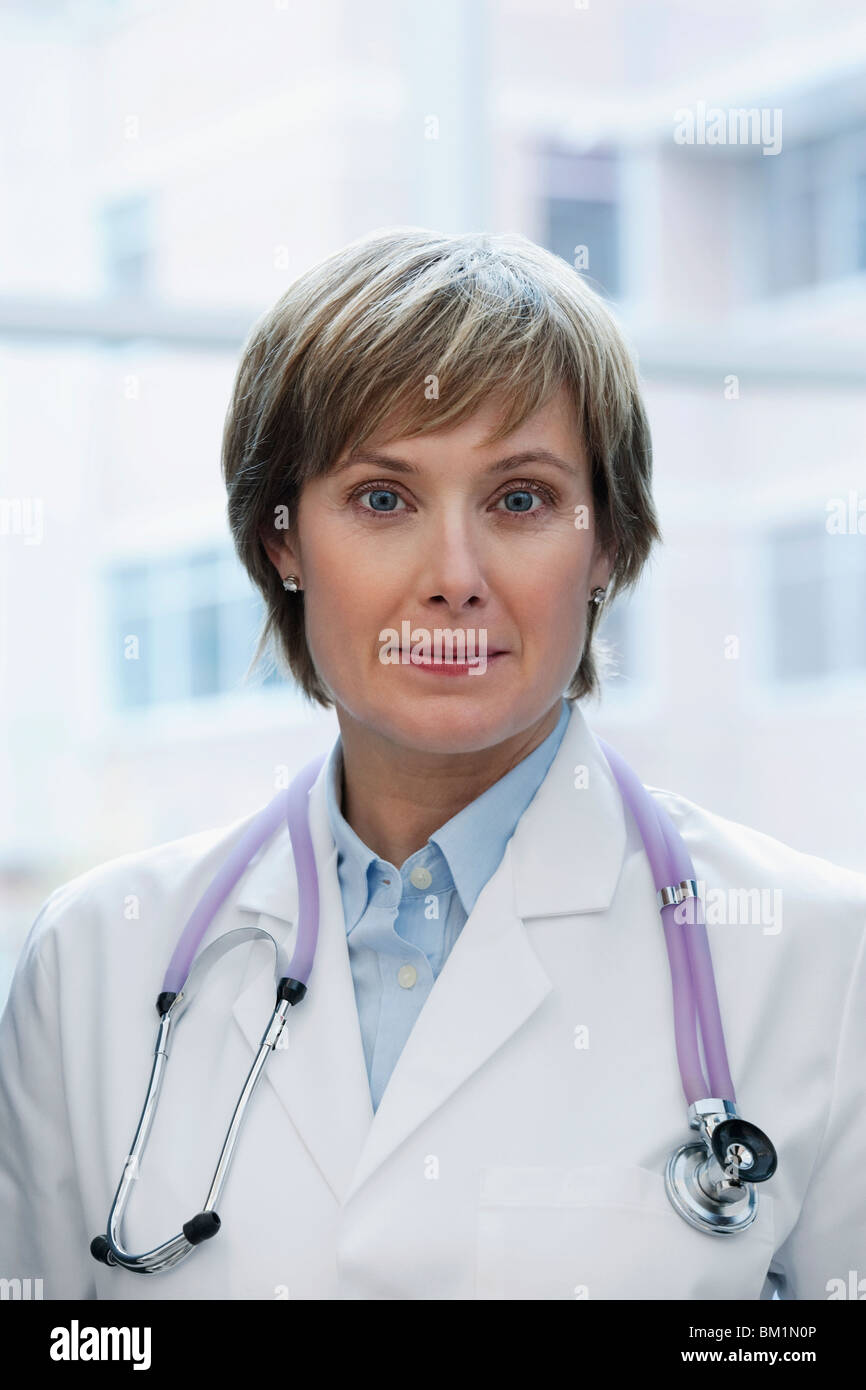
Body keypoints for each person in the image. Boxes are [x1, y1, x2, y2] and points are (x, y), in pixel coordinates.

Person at [0, 228, 864, 1301]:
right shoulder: (95, 960)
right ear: (282, 541)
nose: (453, 577)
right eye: (380, 498)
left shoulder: (818, 963)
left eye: (519, 500)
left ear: (603, 544)